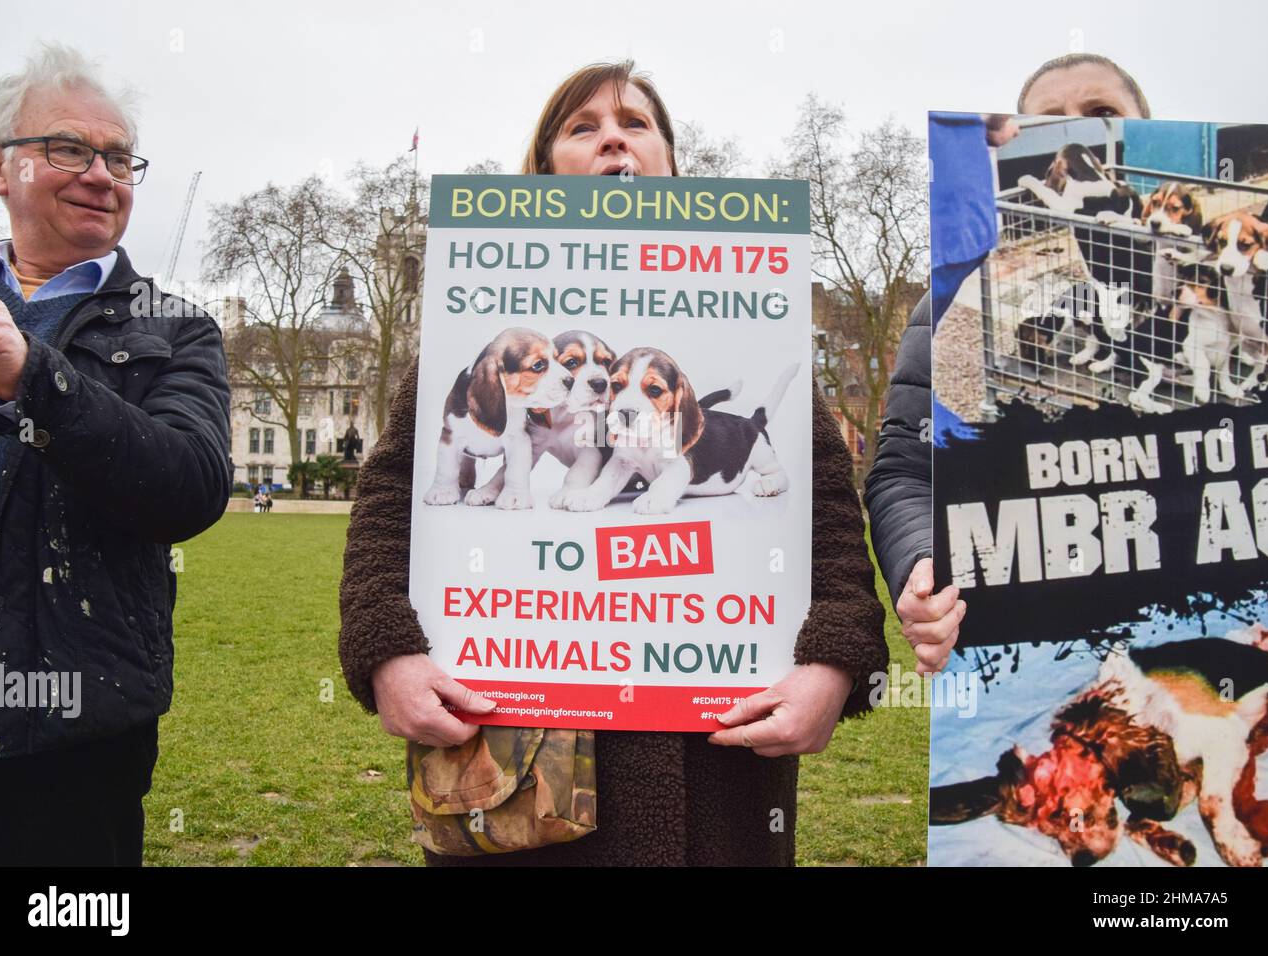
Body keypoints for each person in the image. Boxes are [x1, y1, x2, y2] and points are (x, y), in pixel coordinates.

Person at [338, 60, 887, 866]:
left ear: (669, 163)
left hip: (718, 766)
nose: (613, 142)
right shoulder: (489, 327)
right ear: (546, 167)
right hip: (515, 756)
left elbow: (830, 514)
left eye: (635, 125)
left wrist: (835, 664)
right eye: (583, 128)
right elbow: (391, 492)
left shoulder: (764, 324)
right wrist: (385, 648)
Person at [0, 44, 231, 865]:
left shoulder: (173, 327)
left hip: (76, 734)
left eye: (119, 158)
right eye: (68, 149)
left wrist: (32, 377)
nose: (101, 174)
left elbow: (190, 487)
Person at [864, 53, 1152, 676]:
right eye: (1047, 119)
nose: (1075, 131)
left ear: (1143, 129)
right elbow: (906, 473)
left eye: (1101, 113)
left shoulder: (1198, 276)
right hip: (1030, 635)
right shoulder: (955, 304)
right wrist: (921, 563)